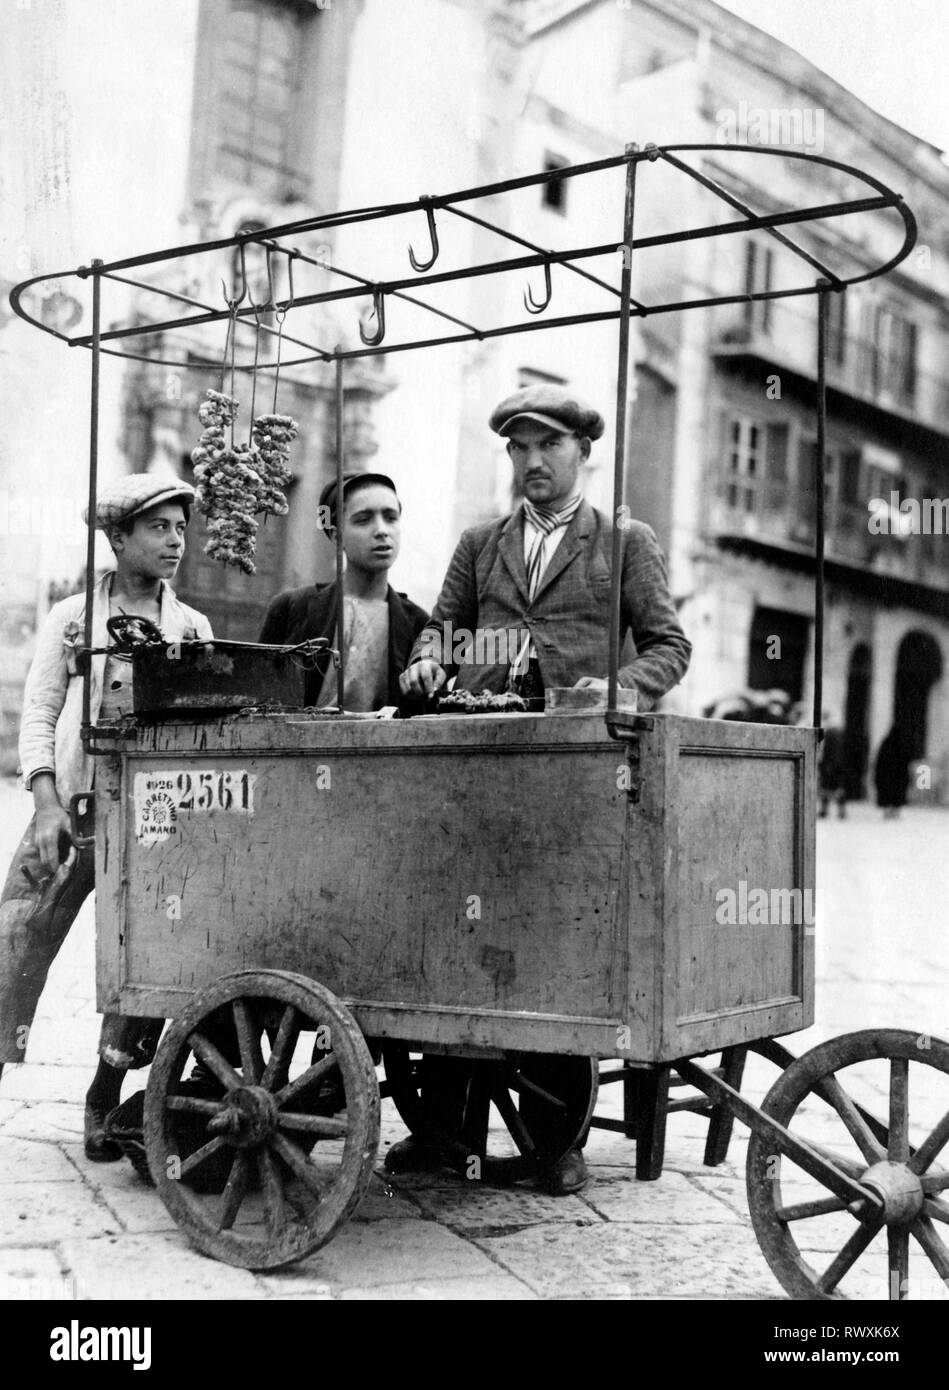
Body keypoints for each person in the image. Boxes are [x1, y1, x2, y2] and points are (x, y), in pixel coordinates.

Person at [395, 384, 692, 1195]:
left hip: (575, 771)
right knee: (460, 931)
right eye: (518, 449)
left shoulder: (624, 542)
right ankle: (444, 1132)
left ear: (581, 453)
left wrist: (617, 688)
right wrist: (429, 654)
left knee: (556, 937)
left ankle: (552, 1140)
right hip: (479, 763)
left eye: (546, 447)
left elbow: (668, 646)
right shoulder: (480, 542)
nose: (531, 462)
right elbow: (445, 627)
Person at [0, 475, 213, 1160]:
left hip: (151, 827)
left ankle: (103, 1093)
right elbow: (37, 711)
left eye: (181, 528)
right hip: (72, 811)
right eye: (158, 528)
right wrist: (44, 803)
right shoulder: (72, 619)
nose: (175, 541)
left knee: (143, 959)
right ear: (118, 538)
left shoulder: (191, 628)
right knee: (19, 935)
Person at [258, 471, 428, 711]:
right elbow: (259, 701)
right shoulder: (292, 609)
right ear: (338, 536)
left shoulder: (418, 624)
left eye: (391, 517)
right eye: (363, 520)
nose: (382, 530)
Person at [874, 727, 909, 819]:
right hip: (898, 775)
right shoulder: (901, 744)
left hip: (886, 775)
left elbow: (879, 761)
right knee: (897, 794)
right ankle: (895, 813)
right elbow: (904, 761)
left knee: (887, 794)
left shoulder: (886, 743)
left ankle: (887, 812)